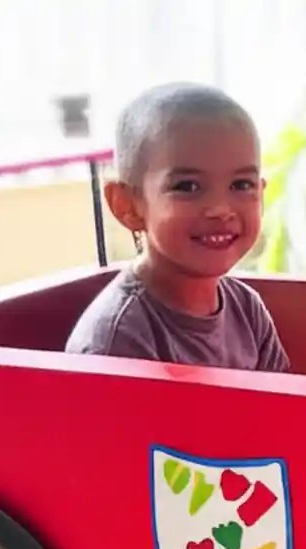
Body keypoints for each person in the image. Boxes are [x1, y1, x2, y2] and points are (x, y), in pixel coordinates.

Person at [66, 82, 290, 373]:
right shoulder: (119, 341)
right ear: (127, 206)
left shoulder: (247, 309)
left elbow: (282, 415)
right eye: (188, 186)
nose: (221, 209)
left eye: (241, 185)